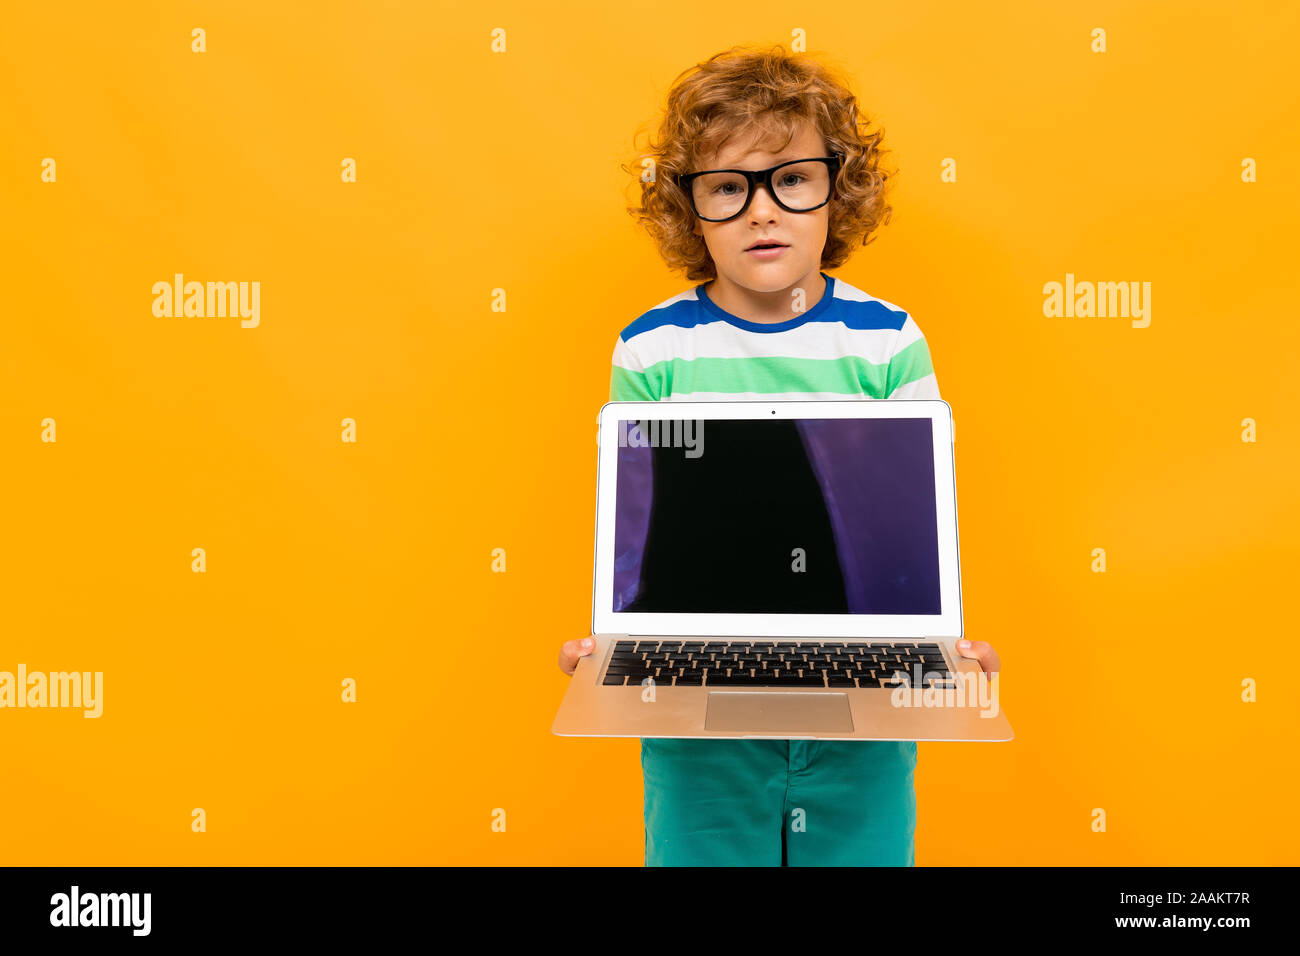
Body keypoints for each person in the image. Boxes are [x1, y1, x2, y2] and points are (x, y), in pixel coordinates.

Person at [557, 44, 1000, 866]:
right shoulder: (651, 349)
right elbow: (640, 524)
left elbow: (908, 522)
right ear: (691, 212)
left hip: (863, 695)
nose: (762, 211)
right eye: (728, 188)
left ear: (840, 189)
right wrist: (611, 633)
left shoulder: (887, 340)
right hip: (697, 715)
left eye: (791, 179)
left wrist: (948, 640)